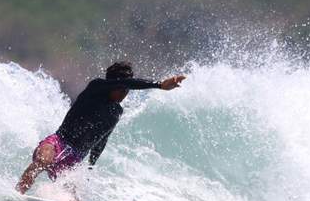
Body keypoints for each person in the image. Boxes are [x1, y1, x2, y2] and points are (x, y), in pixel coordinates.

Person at [17, 61, 185, 194]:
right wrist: (160, 85)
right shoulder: (95, 88)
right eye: (122, 89)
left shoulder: (116, 111)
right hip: (58, 142)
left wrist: (90, 165)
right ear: (111, 84)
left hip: (75, 158)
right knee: (43, 161)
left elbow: (102, 139)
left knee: (71, 194)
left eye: (127, 90)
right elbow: (126, 82)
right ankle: (19, 193)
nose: (125, 93)